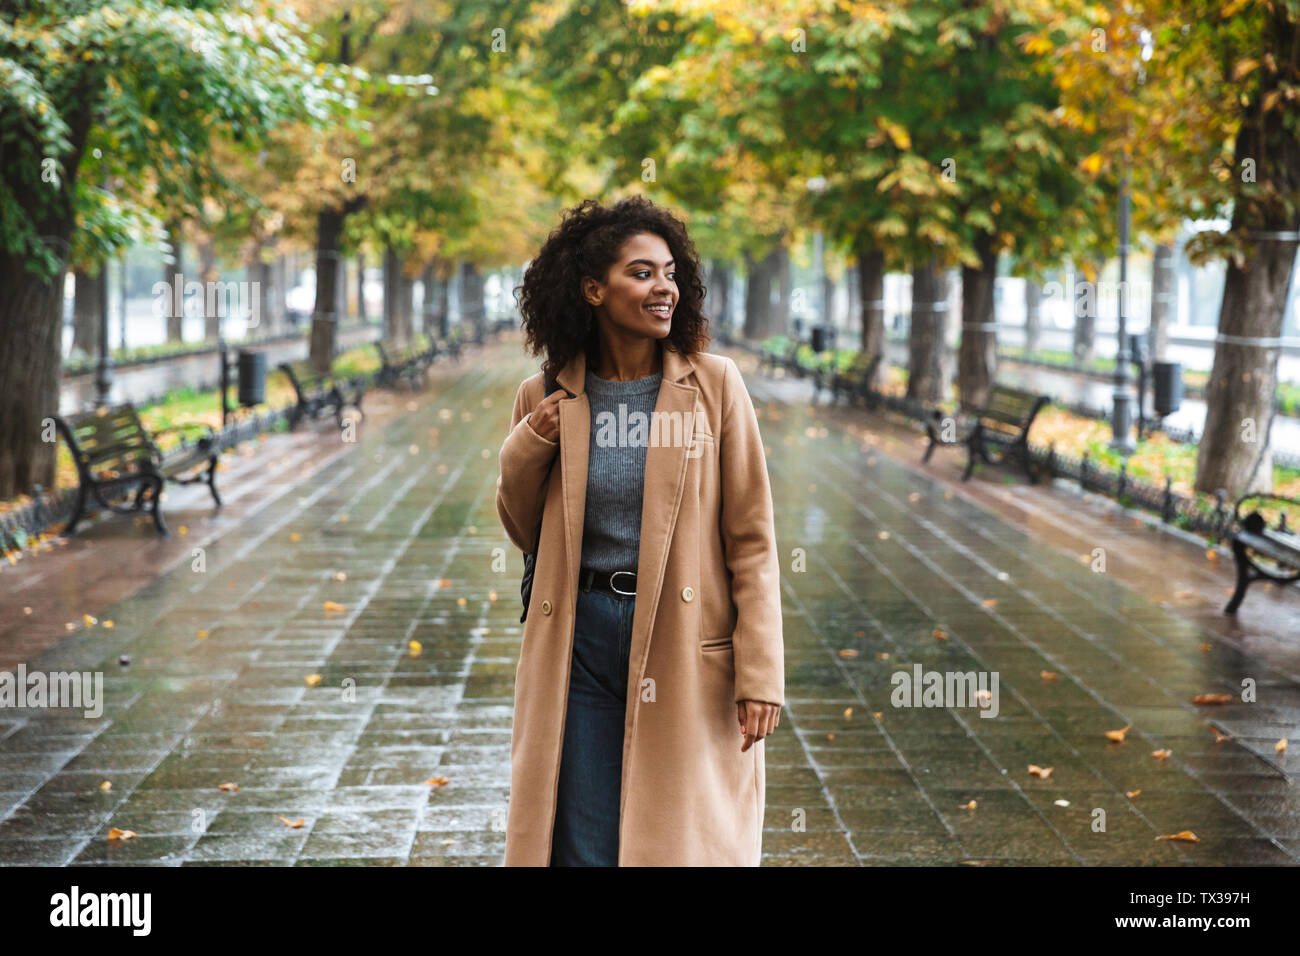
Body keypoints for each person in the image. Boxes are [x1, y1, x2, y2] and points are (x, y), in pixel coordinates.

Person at [496, 196, 784, 866]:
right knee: (582, 836)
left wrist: (760, 670)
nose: (664, 289)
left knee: (676, 836)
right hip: (579, 636)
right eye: (643, 273)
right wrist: (526, 447)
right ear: (594, 289)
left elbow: (752, 539)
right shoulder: (543, 395)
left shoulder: (715, 386)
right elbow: (522, 528)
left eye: (670, 274)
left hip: (683, 637)